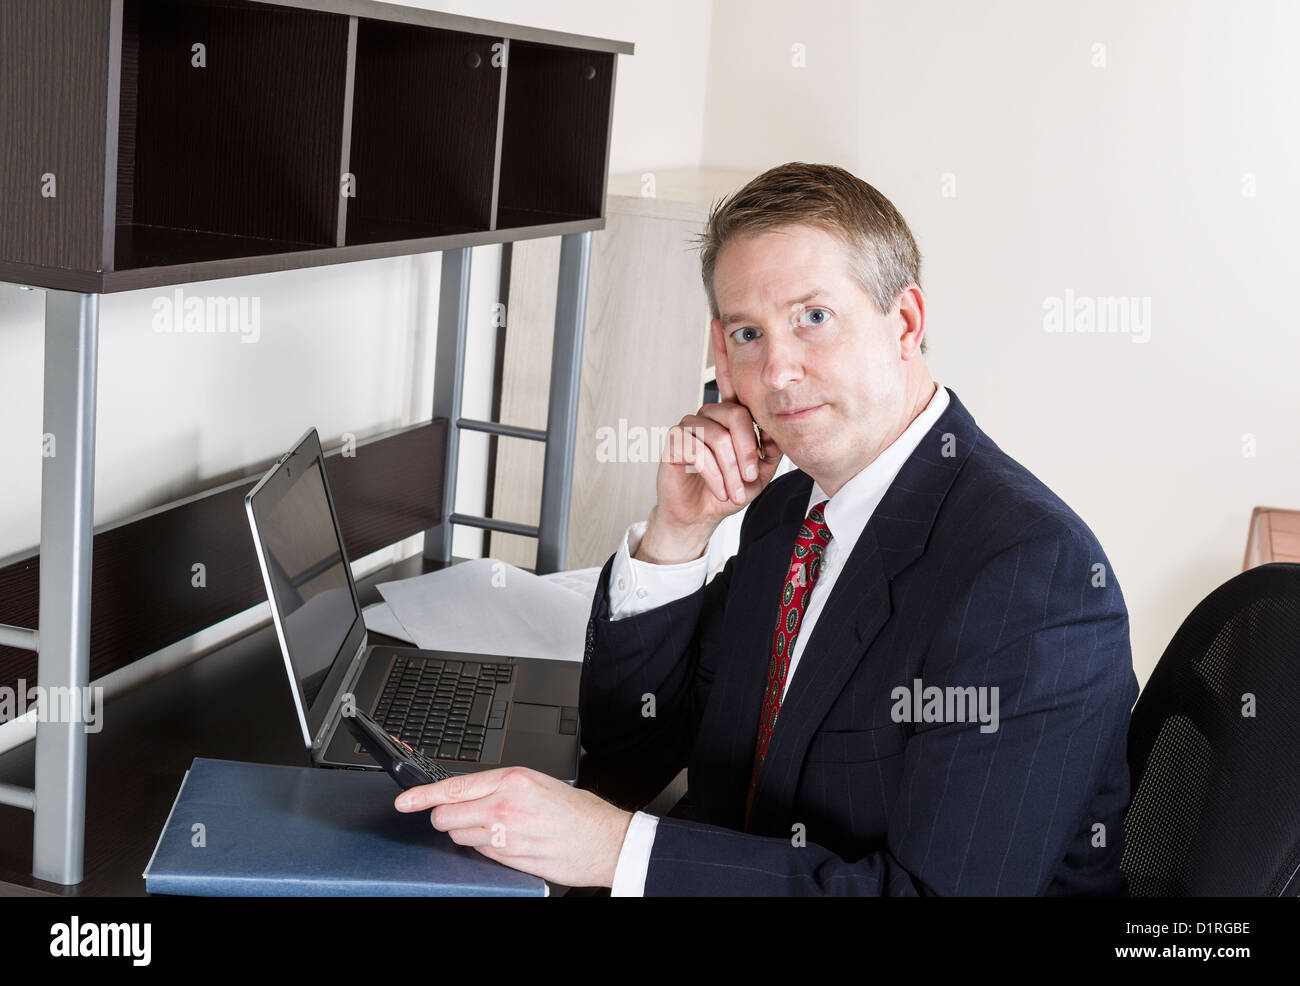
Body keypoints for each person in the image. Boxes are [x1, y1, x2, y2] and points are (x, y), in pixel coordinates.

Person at [395, 162, 1139, 896]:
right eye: (749, 333)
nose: (778, 372)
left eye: (813, 318)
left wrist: (616, 851)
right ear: (721, 353)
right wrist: (677, 535)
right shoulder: (791, 514)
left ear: (905, 322)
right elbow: (636, 741)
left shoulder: (1033, 579)